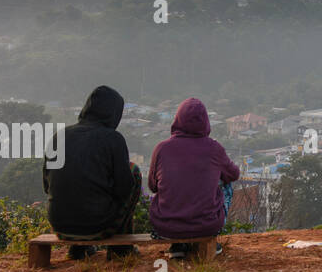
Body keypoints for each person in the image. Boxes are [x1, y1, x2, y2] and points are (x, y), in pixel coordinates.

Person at [43, 85, 142, 261]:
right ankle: (121, 248)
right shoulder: (113, 139)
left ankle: (77, 249)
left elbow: (47, 185)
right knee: (133, 170)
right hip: (98, 227)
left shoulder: (60, 136)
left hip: (60, 227)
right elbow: (124, 188)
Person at [148, 97, 240, 257]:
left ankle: (178, 246)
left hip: (165, 228)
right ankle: (207, 240)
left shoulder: (162, 149)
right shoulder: (214, 148)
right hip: (206, 226)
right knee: (225, 182)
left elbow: (152, 186)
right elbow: (234, 174)